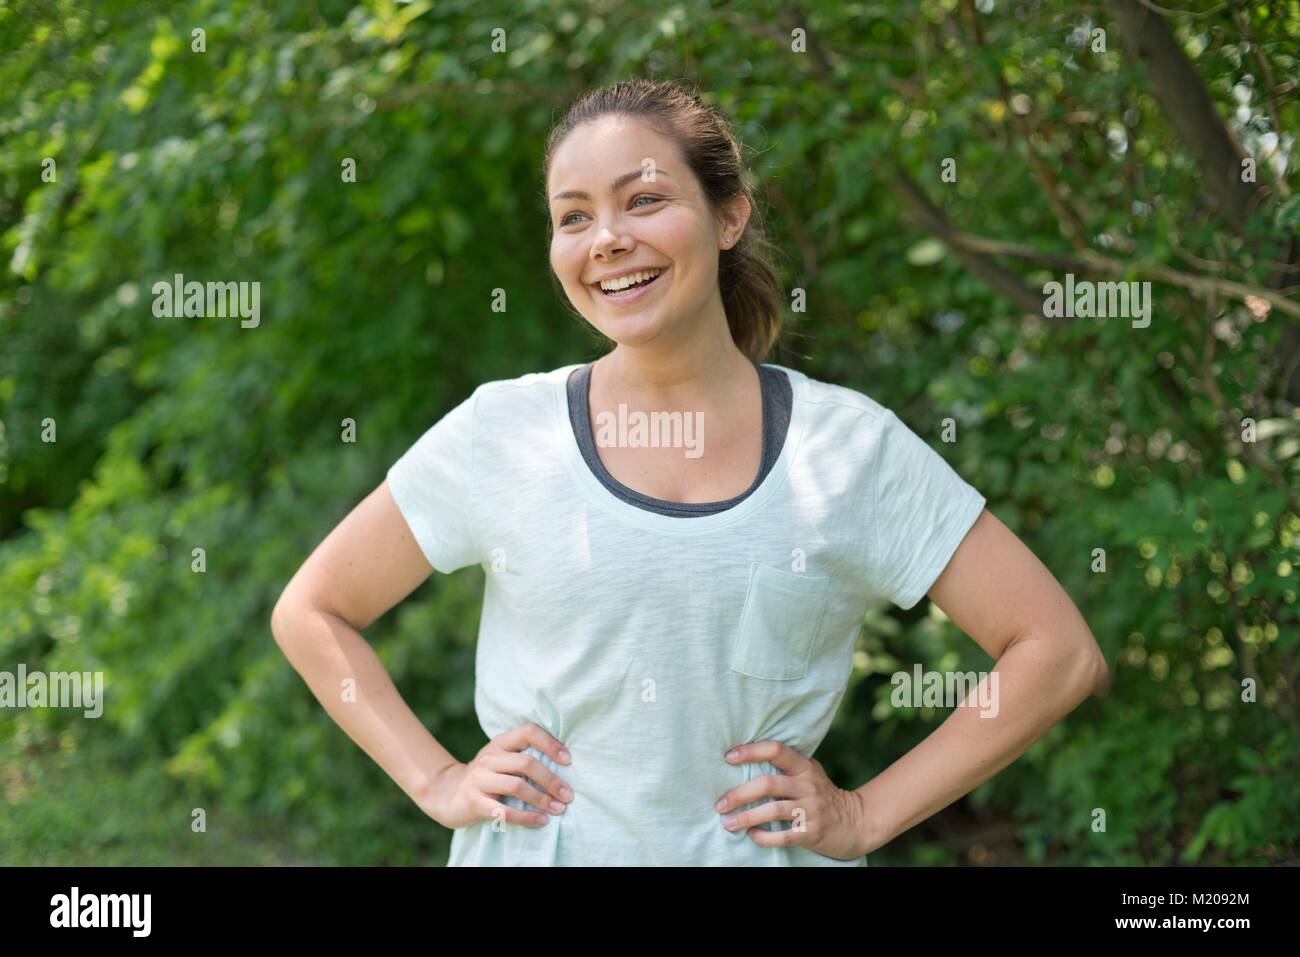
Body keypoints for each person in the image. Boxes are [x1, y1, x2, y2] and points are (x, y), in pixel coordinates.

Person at [270, 78, 1109, 866]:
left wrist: (866, 813)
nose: (608, 240)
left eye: (644, 201)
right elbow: (315, 610)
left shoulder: (848, 449)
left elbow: (1056, 651)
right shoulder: (504, 432)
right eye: (574, 217)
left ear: (729, 217)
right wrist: (436, 778)